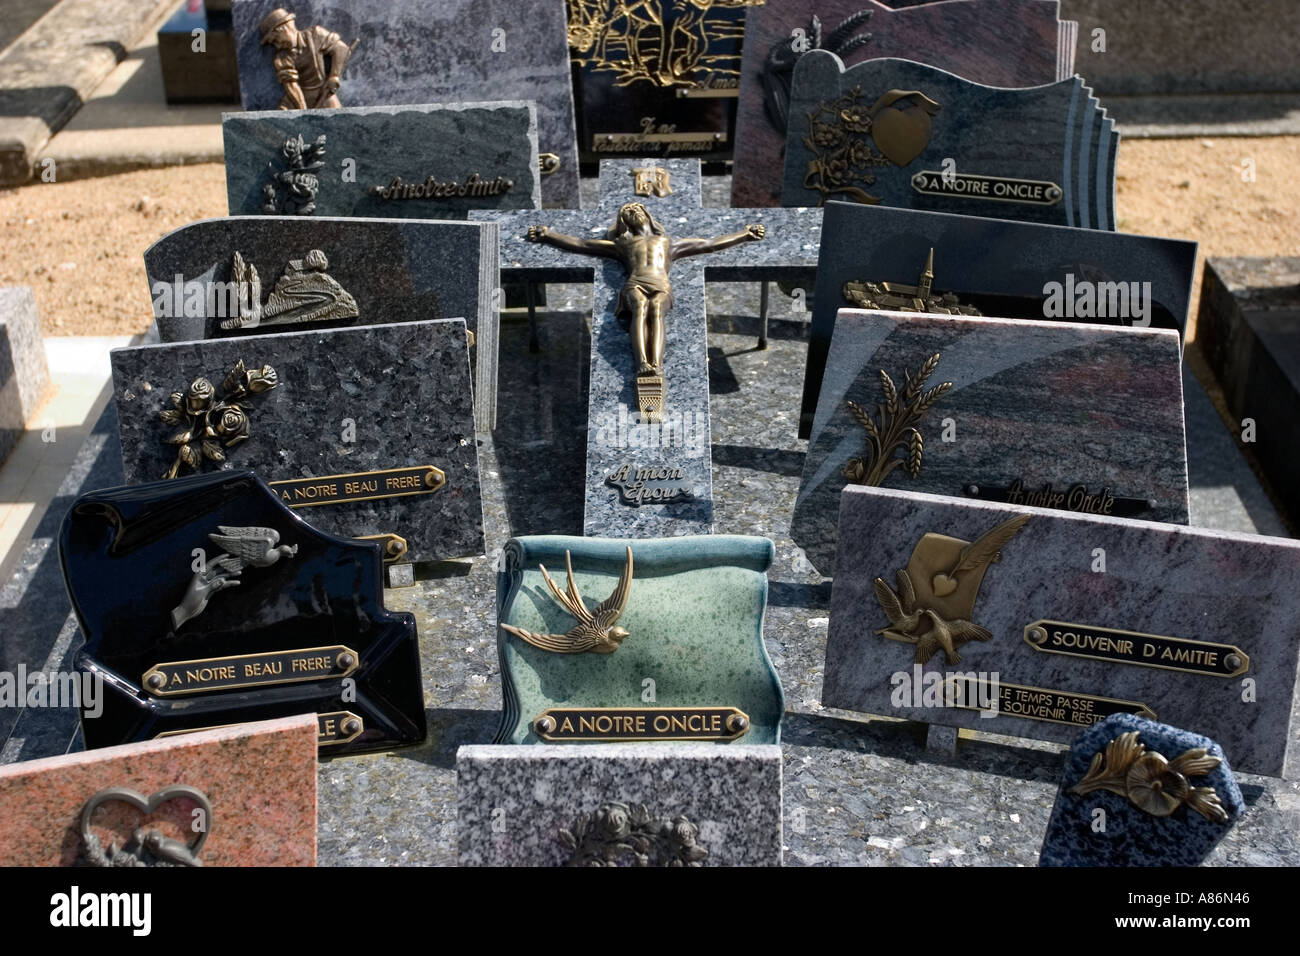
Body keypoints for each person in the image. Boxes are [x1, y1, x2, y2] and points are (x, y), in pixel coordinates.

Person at [528, 202, 764, 375]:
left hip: (660, 282)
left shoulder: (669, 243)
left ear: (648, 216)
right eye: (628, 213)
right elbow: (582, 244)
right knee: (640, 309)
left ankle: (656, 364)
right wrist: (549, 235)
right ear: (624, 223)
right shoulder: (622, 243)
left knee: (656, 312)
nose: (633, 213)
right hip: (636, 282)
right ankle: (643, 362)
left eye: (637, 210)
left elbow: (709, 244)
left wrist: (744, 234)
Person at [259, 8, 354, 109]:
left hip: (324, 93)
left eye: (275, 40)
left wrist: (334, 76)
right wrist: (303, 112)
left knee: (336, 116)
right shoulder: (281, 58)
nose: (277, 46)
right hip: (296, 100)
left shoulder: (315, 35)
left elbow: (341, 48)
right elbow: (292, 87)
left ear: (283, 29)